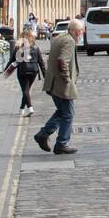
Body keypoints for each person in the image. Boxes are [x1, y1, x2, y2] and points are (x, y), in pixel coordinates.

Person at [33, 18, 82, 156]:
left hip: (53, 82)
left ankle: (43, 135)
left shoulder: (61, 37)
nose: (82, 34)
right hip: (61, 85)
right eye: (81, 31)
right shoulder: (69, 41)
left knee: (62, 112)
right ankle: (61, 144)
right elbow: (62, 61)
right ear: (76, 31)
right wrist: (67, 80)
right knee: (68, 114)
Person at [8, 26, 45, 116]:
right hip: (33, 71)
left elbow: (12, 60)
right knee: (26, 90)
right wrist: (45, 74)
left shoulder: (18, 47)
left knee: (25, 90)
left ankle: (30, 107)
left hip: (22, 71)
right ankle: (21, 108)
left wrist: (6, 70)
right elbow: (41, 61)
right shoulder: (36, 47)